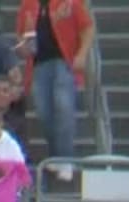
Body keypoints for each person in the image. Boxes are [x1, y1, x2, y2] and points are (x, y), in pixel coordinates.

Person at [14, 0, 94, 184]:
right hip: (38, 64)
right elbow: (20, 35)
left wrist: (81, 54)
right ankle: (56, 154)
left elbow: (87, 28)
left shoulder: (70, 2)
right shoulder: (28, 4)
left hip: (63, 61)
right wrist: (23, 47)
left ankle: (65, 159)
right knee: (44, 112)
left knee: (63, 106)